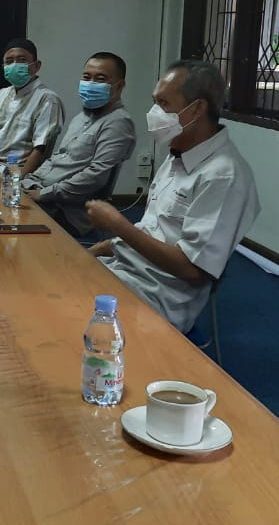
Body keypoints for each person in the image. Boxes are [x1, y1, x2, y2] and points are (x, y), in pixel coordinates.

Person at [86, 60, 259, 333]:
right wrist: (94, 251)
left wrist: (118, 224)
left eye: (164, 103)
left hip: (154, 298)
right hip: (123, 271)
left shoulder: (223, 176)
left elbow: (192, 269)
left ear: (197, 109)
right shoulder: (180, 153)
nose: (154, 113)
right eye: (155, 102)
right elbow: (151, 231)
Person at [22, 52, 136, 239]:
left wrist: (43, 194)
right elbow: (57, 159)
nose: (91, 83)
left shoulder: (119, 123)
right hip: (42, 194)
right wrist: (28, 181)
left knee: (7, 226)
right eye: (87, 77)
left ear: (119, 85)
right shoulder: (82, 117)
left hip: (66, 212)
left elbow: (95, 176)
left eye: (100, 79)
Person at [0, 38, 65, 175]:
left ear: (36, 66)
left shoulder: (48, 99)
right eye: (9, 61)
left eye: (22, 60)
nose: (15, 65)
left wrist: (17, 181)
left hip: (16, 173)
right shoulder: (2, 94)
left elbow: (41, 150)